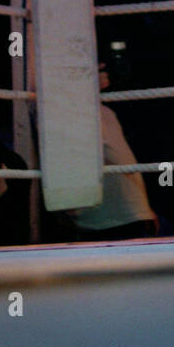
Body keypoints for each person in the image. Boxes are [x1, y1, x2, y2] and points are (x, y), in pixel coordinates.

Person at [67, 64, 158, 241]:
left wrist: (143, 208)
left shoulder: (105, 111)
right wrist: (83, 85)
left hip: (125, 213)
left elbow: (121, 157)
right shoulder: (71, 110)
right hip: (104, 217)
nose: (105, 74)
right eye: (97, 68)